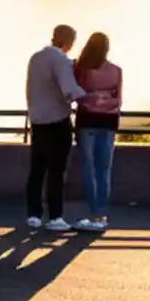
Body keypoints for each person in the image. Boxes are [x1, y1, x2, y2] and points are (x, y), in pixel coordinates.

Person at [25, 25, 86, 231]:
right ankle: (55, 217)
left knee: (37, 170)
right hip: (57, 121)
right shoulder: (60, 59)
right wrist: (91, 97)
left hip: (37, 120)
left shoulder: (35, 58)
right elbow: (69, 89)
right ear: (68, 41)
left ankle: (33, 215)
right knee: (57, 171)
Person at [72, 32, 121, 232]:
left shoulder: (81, 69)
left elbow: (77, 96)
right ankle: (100, 213)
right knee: (104, 169)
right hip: (108, 122)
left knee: (88, 167)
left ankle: (93, 211)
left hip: (87, 121)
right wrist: (105, 101)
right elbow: (118, 100)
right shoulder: (116, 71)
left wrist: (92, 99)